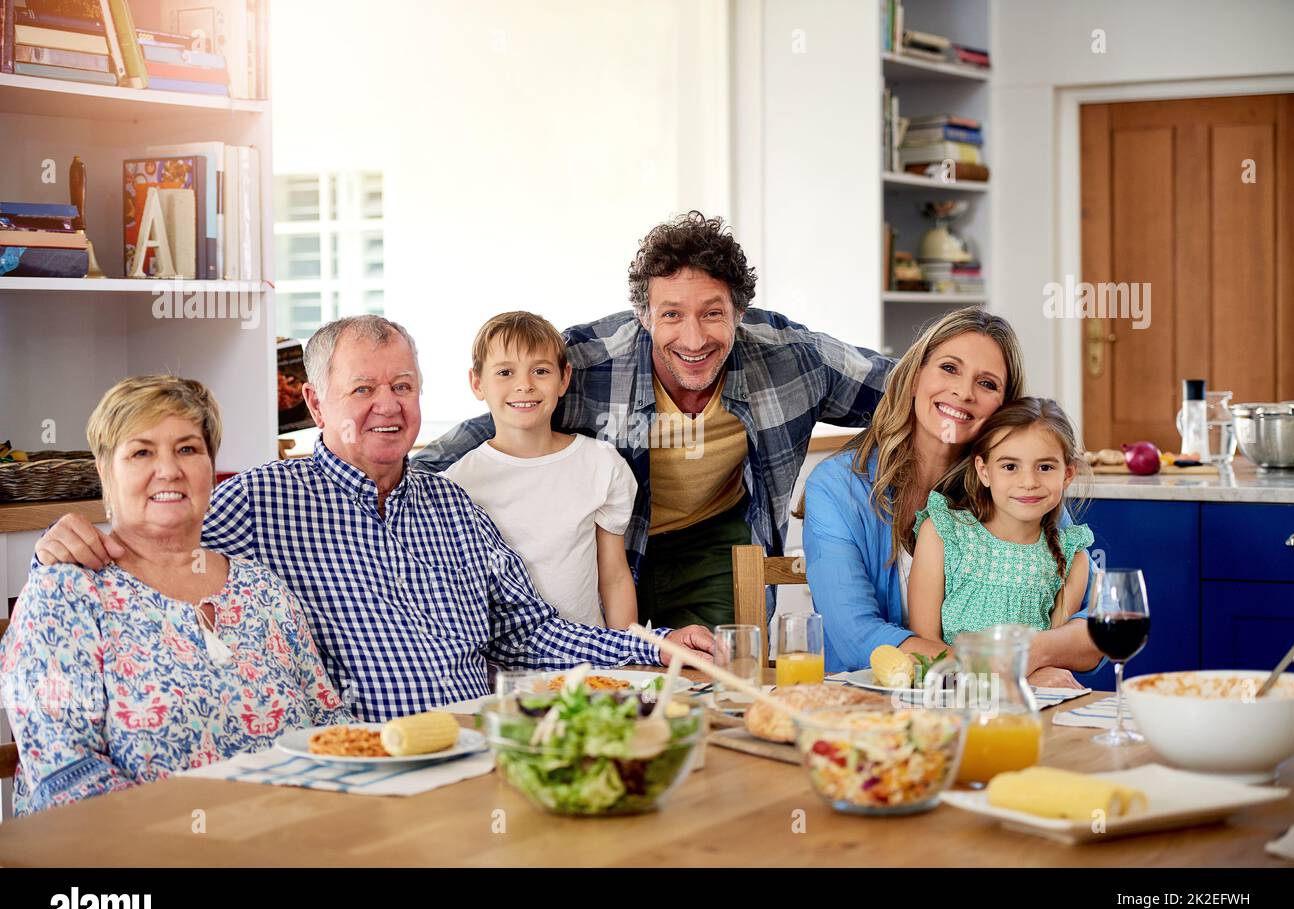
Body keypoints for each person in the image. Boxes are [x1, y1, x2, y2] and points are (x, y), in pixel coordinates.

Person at [31, 317, 713, 721]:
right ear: (317, 402)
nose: (387, 405)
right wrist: (60, 546)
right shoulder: (257, 503)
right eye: (363, 389)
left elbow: (527, 631)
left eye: (403, 387)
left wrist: (653, 649)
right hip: (356, 770)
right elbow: (151, 550)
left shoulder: (452, 504)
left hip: (476, 754)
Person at [415, 212, 895, 628]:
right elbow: (473, 441)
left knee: (709, 678)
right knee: (619, 688)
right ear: (643, 316)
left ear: (740, 313)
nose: (693, 339)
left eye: (712, 314)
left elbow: (913, 391)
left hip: (713, 539)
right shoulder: (586, 364)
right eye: (671, 314)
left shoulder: (792, 359)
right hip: (607, 544)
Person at [1, 376, 348, 816]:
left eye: (187, 449)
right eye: (142, 452)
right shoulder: (64, 594)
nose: (169, 470)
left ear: (211, 467)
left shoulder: (263, 589)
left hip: (289, 838)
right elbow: (64, 774)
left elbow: (330, 726)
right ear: (106, 471)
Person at [802, 308, 1102, 687]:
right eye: (949, 368)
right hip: (868, 709)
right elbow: (855, 636)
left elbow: (1096, 629)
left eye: (988, 384)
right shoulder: (837, 487)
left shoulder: (1017, 488)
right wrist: (1000, 672)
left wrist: (1035, 655)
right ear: (914, 378)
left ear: (1004, 409)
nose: (964, 392)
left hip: (999, 714)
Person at [444, 311, 638, 628]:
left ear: (564, 379)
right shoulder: (458, 484)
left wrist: (624, 660)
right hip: (506, 668)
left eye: (540, 371)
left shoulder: (601, 464)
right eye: (505, 372)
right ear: (477, 383)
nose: (525, 385)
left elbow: (614, 577)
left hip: (588, 663)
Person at [909, 397, 1095, 644]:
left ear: (1067, 475)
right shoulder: (943, 534)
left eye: (1045, 468)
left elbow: (1050, 653)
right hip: (952, 681)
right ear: (984, 471)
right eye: (1010, 467)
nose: (1028, 482)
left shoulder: (1072, 558)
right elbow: (925, 644)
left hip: (1028, 684)